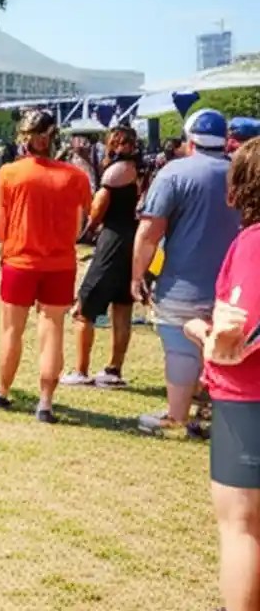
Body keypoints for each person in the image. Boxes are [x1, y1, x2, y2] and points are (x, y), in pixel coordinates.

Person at [184, 137, 260, 611]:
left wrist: (201, 332)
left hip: (247, 400)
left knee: (242, 525)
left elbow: (238, 334)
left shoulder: (252, 244)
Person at [133, 109, 240, 436]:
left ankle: (176, 415)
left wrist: (137, 275)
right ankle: (207, 413)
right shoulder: (239, 173)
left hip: (182, 283)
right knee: (221, 351)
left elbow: (149, 232)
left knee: (180, 348)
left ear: (189, 140)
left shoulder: (174, 173)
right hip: (230, 285)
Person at [0, 110, 93, 424]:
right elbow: (80, 224)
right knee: (53, 331)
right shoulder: (75, 176)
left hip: (19, 260)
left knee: (12, 330)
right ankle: (45, 402)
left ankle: (3, 390)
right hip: (60, 264)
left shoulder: (9, 173)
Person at [63, 126, 141, 387]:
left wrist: (88, 229)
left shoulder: (117, 171)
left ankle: (81, 370)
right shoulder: (139, 170)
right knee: (122, 308)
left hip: (113, 240)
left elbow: (100, 203)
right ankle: (113, 370)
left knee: (84, 308)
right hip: (133, 240)